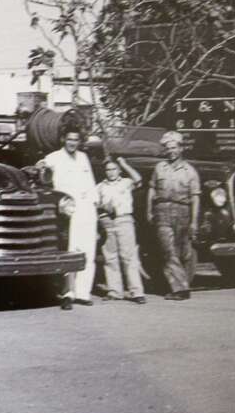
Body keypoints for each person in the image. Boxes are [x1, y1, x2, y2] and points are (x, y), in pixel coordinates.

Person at [39, 128, 98, 309]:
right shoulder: (54, 157)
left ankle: (83, 293)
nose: (72, 143)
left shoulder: (83, 157)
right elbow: (40, 168)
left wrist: (95, 205)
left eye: (76, 140)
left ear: (79, 142)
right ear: (64, 139)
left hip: (88, 209)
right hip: (68, 211)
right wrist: (42, 167)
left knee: (88, 251)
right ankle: (68, 293)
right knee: (70, 250)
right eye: (70, 139)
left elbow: (91, 183)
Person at [147, 131, 201, 300]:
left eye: (174, 148)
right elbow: (152, 189)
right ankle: (181, 289)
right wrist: (149, 210)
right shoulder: (159, 168)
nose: (171, 151)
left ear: (181, 148)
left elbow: (195, 198)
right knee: (168, 250)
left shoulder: (190, 171)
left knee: (182, 251)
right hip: (162, 211)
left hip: (182, 211)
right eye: (168, 148)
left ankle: (180, 285)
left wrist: (194, 222)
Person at [95, 157, 146, 304]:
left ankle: (136, 292)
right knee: (110, 257)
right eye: (108, 170)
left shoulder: (126, 182)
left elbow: (138, 179)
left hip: (124, 220)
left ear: (119, 170)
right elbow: (93, 203)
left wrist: (124, 164)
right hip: (107, 222)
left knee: (128, 256)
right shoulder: (100, 187)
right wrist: (103, 208)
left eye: (114, 169)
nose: (111, 172)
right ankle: (115, 291)